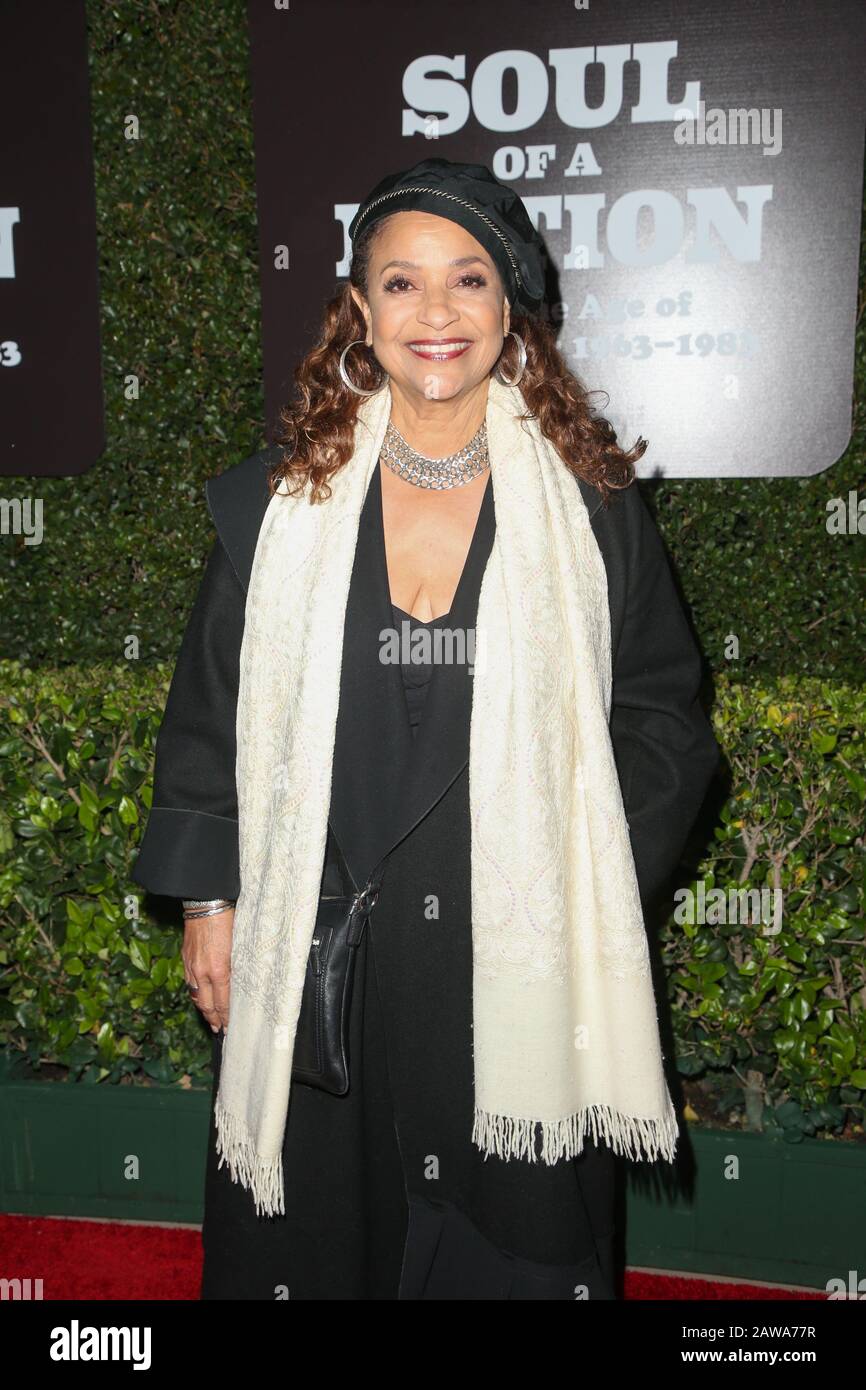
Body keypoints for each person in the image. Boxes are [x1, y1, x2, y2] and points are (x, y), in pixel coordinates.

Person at [132, 157, 719, 1301]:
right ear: (359, 311)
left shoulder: (590, 503)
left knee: (506, 1242)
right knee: (321, 1238)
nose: (435, 313)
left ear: (511, 310)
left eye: (467, 280)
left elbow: (665, 720)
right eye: (400, 284)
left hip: (512, 951)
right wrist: (208, 902)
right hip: (323, 949)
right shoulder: (274, 501)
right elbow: (204, 715)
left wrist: (581, 876)